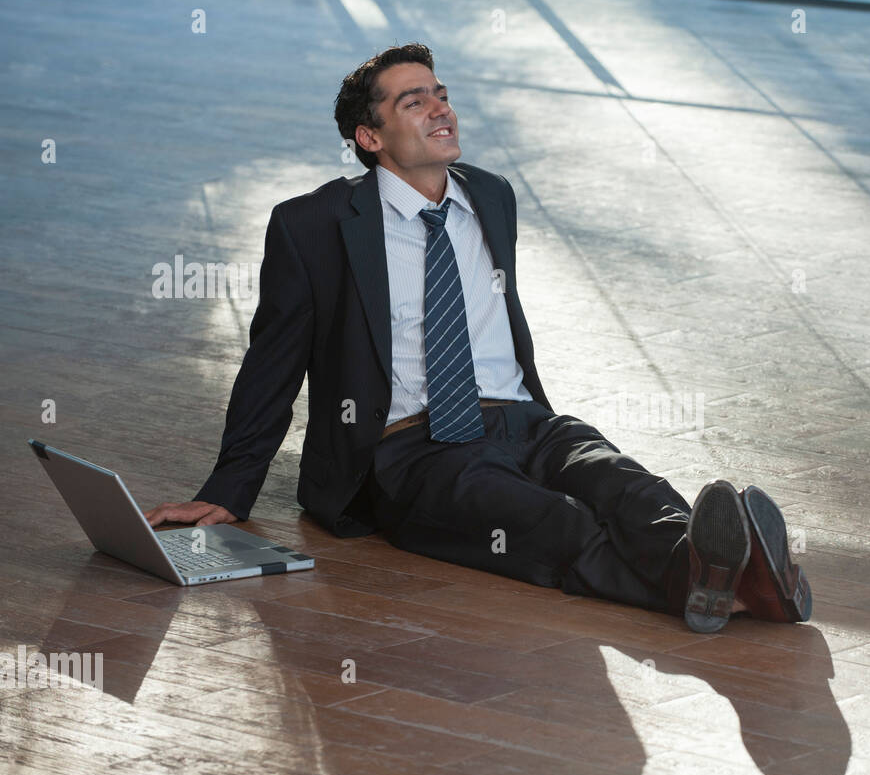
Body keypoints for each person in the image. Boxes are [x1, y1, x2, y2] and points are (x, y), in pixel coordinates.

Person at [144, 44, 810, 634]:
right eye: (414, 102)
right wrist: (232, 486)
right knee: (555, 524)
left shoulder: (491, 196)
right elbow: (273, 362)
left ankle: (718, 578)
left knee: (626, 487)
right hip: (415, 449)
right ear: (370, 137)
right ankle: (740, 583)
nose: (441, 109)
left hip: (527, 422)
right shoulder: (313, 226)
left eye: (442, 94)